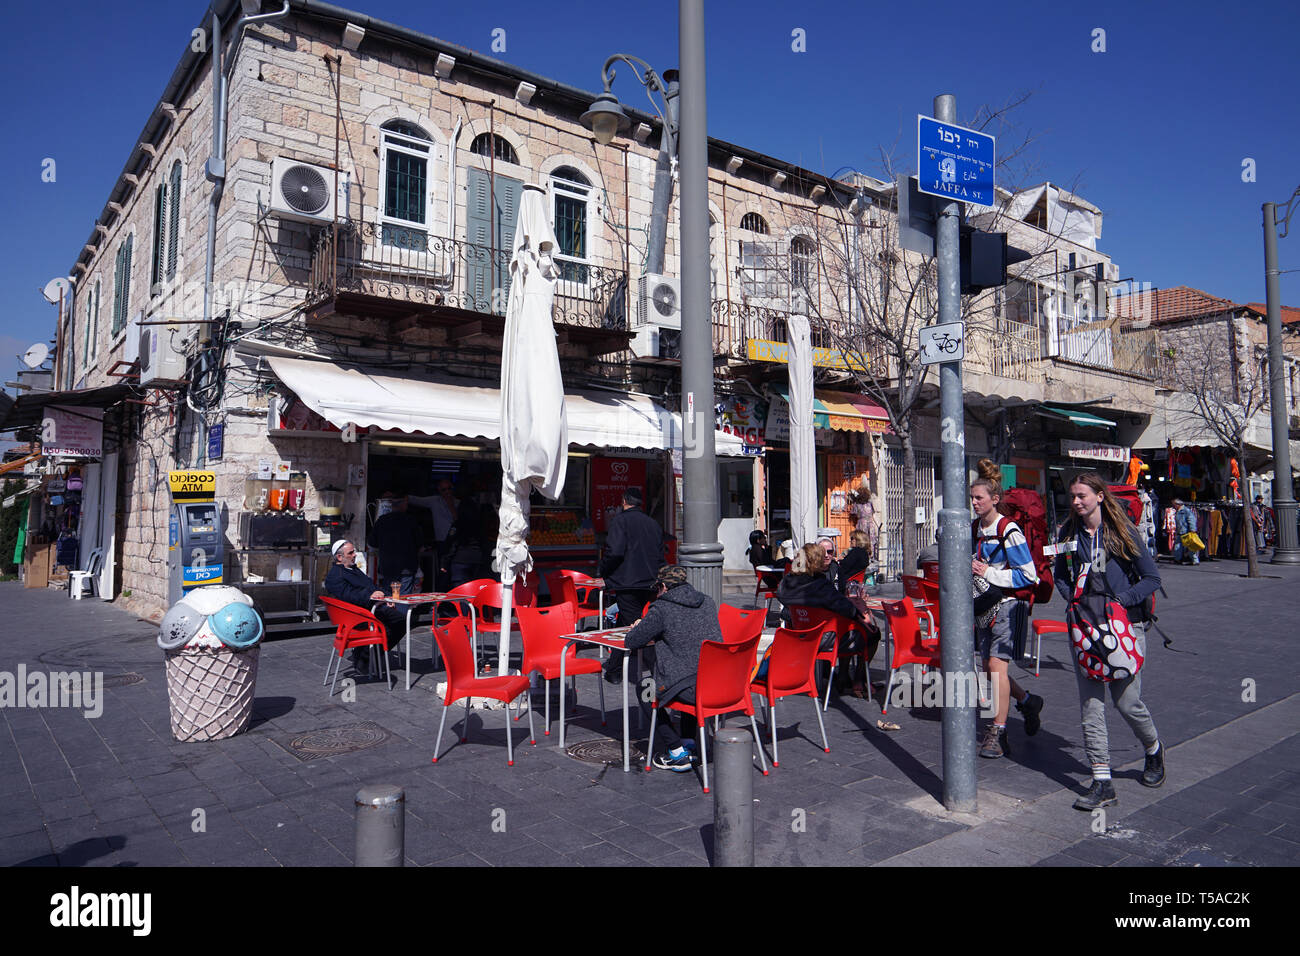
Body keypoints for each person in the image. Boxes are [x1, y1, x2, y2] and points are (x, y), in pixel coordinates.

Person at [1054, 472, 1165, 811]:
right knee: (1091, 706)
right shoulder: (1068, 533)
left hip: (1123, 629)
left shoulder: (1122, 532)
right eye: (1072, 496)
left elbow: (1152, 578)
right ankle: (1102, 782)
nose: (1076, 501)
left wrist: (1121, 601)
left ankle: (1153, 750)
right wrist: (1073, 600)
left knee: (1127, 703)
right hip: (1084, 630)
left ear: (1100, 496)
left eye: (1082, 495)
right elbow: (1060, 574)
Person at [970, 459, 1044, 759]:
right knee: (989, 670)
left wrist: (989, 573)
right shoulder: (975, 528)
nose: (975, 503)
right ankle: (1027, 701)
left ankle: (998, 733)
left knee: (998, 667)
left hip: (1008, 605)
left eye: (979, 498)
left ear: (995, 499)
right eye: (972, 498)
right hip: (984, 604)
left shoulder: (1009, 529)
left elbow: (1028, 575)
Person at [625, 564, 718, 772]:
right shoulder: (708, 602)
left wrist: (640, 626)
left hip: (690, 687)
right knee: (690, 673)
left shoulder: (662, 608)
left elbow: (632, 641)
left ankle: (676, 751)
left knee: (645, 688)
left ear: (664, 587)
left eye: (657, 588)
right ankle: (688, 742)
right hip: (715, 683)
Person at [777, 542, 880, 698]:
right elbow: (847, 608)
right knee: (871, 634)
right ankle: (859, 679)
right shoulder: (820, 585)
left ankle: (843, 677)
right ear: (816, 561)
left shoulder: (787, 582)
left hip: (799, 635)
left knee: (847, 626)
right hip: (824, 639)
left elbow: (783, 602)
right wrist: (860, 615)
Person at [597, 486, 665, 681]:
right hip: (650, 582)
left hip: (627, 582)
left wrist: (605, 570)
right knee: (627, 621)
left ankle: (654, 671)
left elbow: (615, 552)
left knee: (634, 626)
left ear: (624, 501)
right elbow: (660, 555)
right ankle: (614, 667)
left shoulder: (620, 521)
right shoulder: (653, 524)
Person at [323, 539, 409, 675]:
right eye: (350, 553)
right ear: (339, 557)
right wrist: (371, 595)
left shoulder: (353, 569)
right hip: (356, 616)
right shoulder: (334, 577)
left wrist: (386, 597)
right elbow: (349, 595)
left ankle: (367, 653)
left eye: (354, 551)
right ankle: (365, 657)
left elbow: (372, 586)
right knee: (398, 621)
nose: (355, 555)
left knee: (400, 620)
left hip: (369, 609)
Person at [368, 491, 425, 596]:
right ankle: (400, 613)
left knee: (389, 599)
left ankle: (391, 612)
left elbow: (372, 544)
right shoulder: (411, 521)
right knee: (403, 598)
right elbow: (420, 546)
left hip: (388, 567)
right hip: (407, 568)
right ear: (403, 504)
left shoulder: (381, 521)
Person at [837, 530, 874, 595]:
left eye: (852, 539)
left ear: (858, 540)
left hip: (847, 585)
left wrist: (839, 561)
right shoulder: (864, 553)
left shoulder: (856, 551)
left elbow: (844, 566)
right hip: (856, 584)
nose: (850, 541)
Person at [1172, 498, 1199, 565]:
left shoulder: (1186, 511)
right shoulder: (1178, 511)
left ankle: (1195, 560)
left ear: (1178, 504)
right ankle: (1177, 559)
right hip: (1180, 532)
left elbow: (1191, 520)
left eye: (1174, 505)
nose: (1173, 506)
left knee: (1190, 547)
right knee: (1177, 546)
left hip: (1187, 532)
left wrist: (1193, 530)